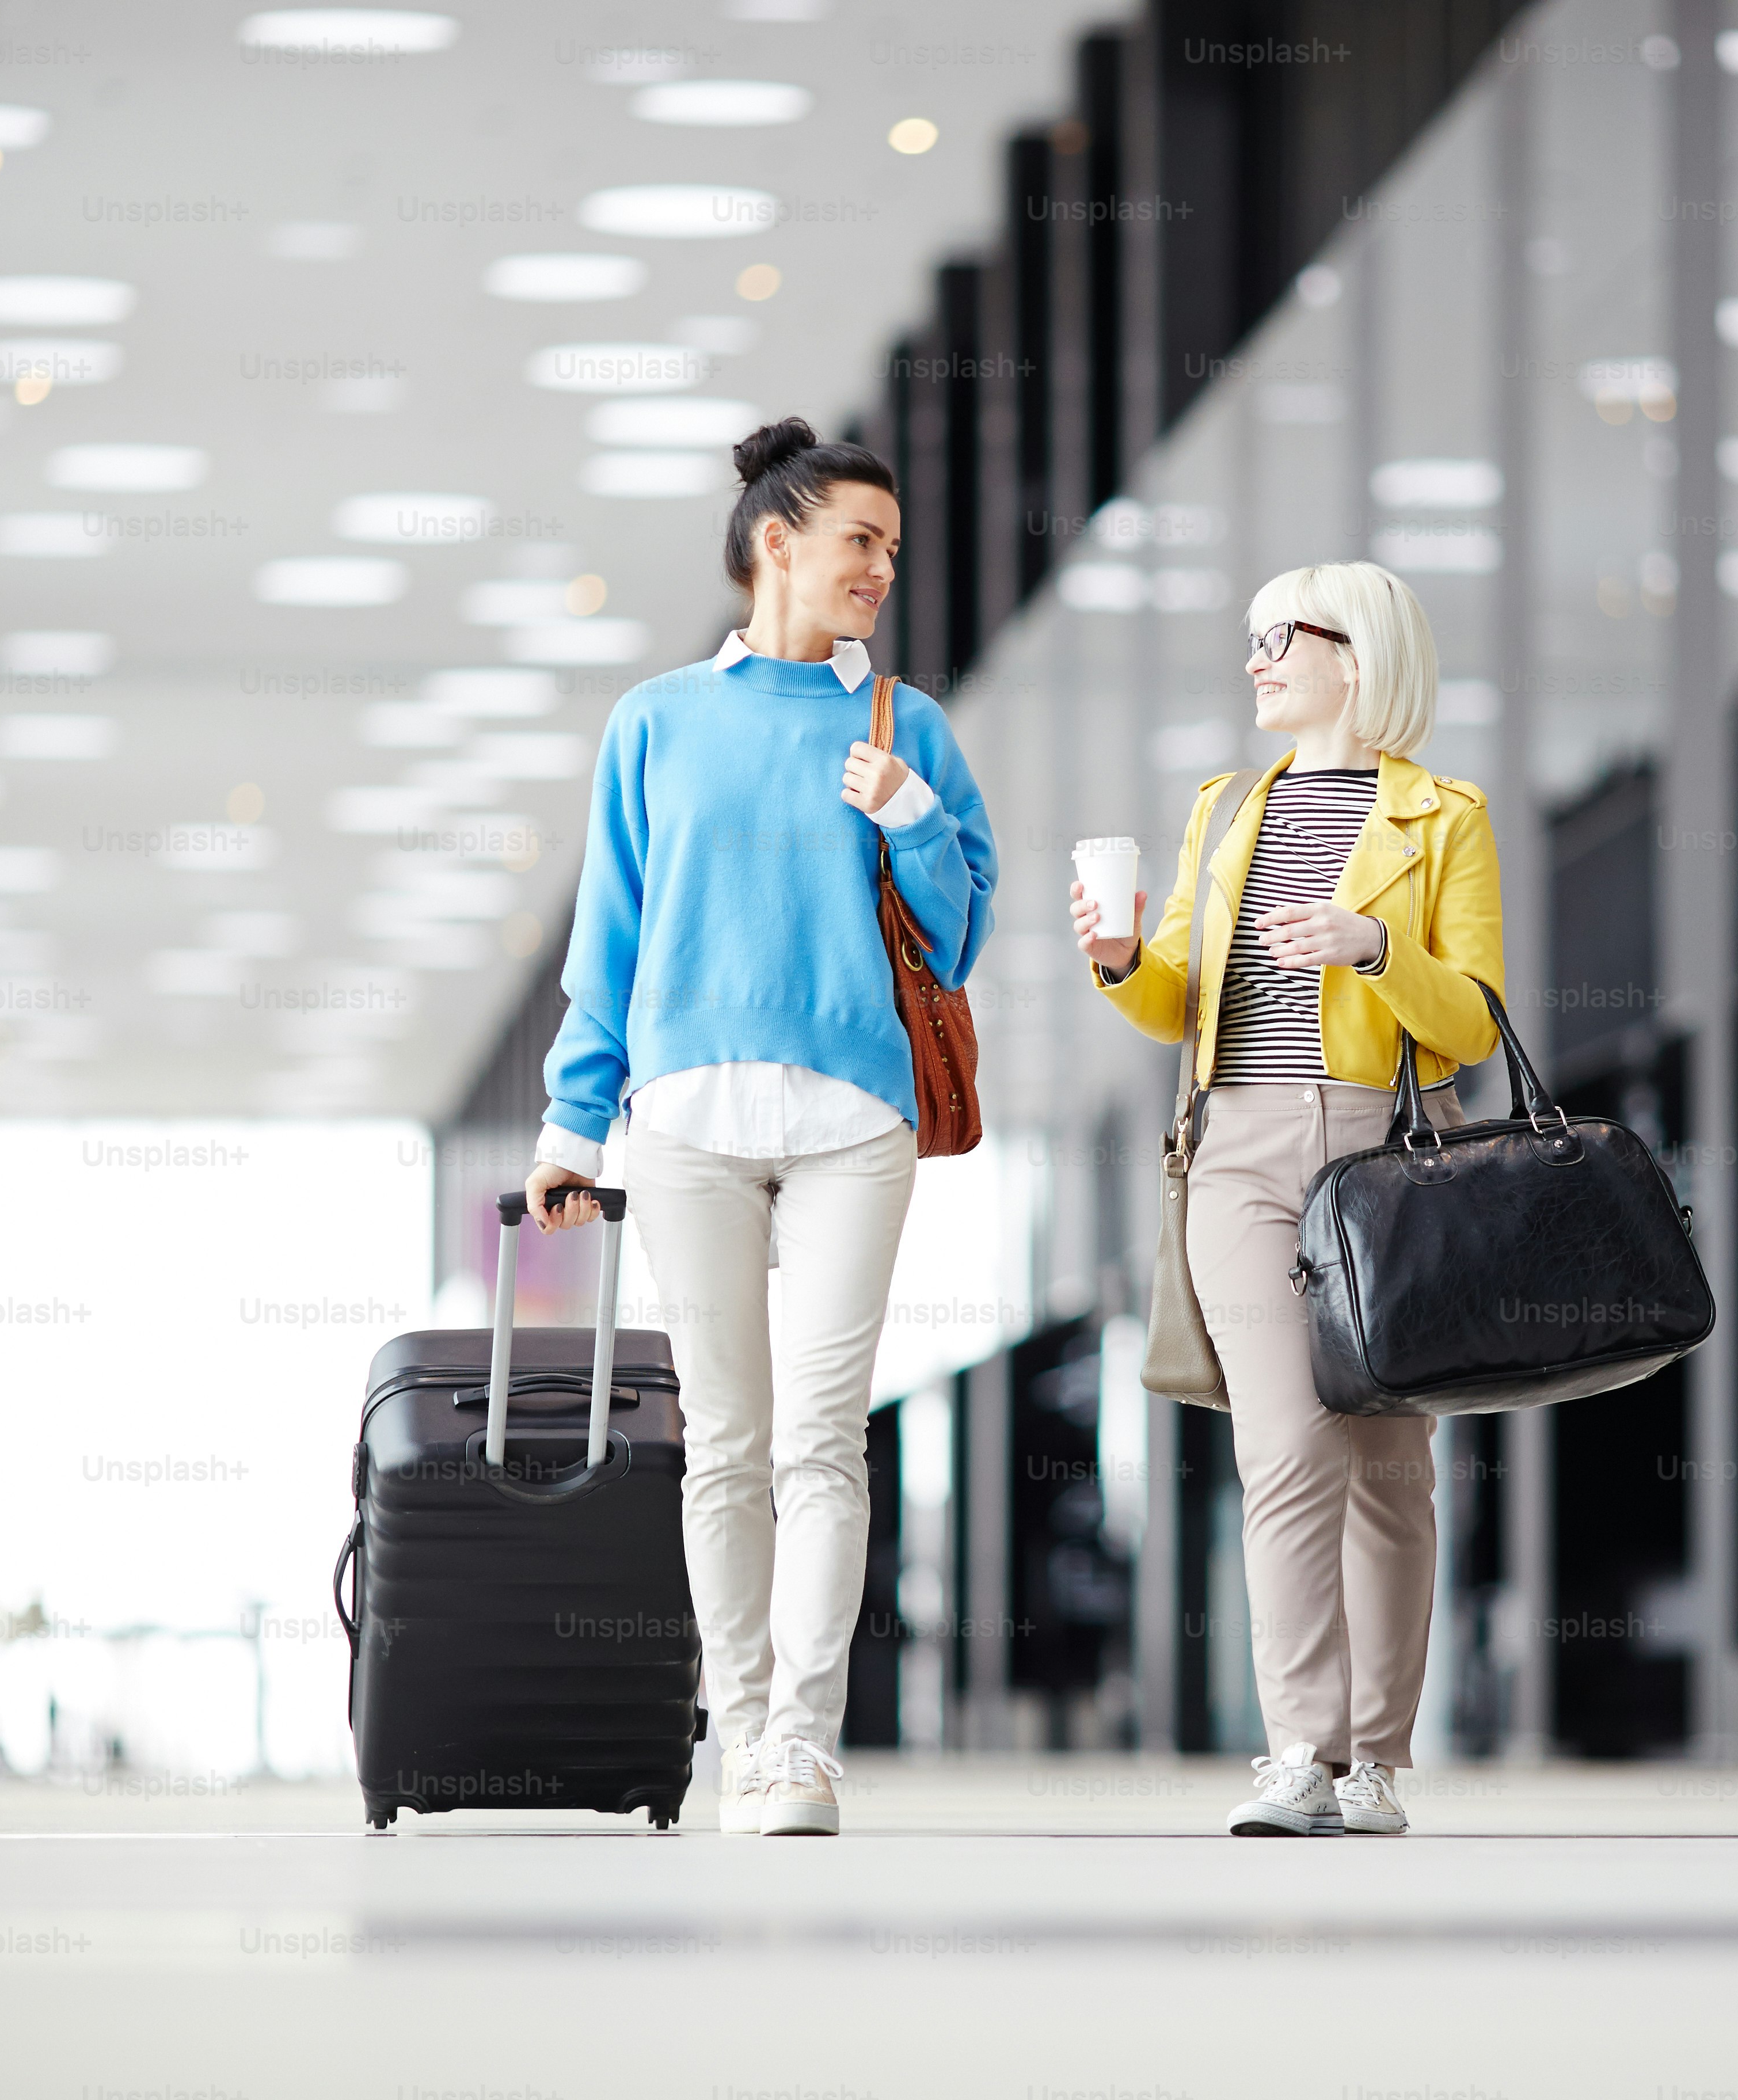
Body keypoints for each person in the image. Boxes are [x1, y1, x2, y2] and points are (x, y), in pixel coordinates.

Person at [526, 418, 996, 1836]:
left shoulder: (906, 726)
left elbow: (962, 939)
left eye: (893, 551)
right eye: (861, 541)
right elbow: (608, 937)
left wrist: (912, 815)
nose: (880, 571)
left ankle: (804, 1743)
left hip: (857, 1116)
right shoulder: (656, 722)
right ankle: (742, 1734)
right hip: (685, 1121)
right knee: (726, 1443)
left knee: (825, 1439)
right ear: (775, 543)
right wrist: (572, 1123)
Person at [1073, 560, 1501, 1836]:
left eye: (1279, 638)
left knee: (1387, 1461)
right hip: (1239, 1154)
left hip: (1384, 1154)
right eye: (1250, 639)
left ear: (1355, 654)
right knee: (1288, 1445)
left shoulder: (1445, 817)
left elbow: (1473, 1023)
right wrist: (1116, 961)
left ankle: (1376, 1763)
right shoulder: (1226, 810)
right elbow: (1183, 1001)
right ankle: (1299, 1753)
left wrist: (1375, 948)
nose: (1256, 660)